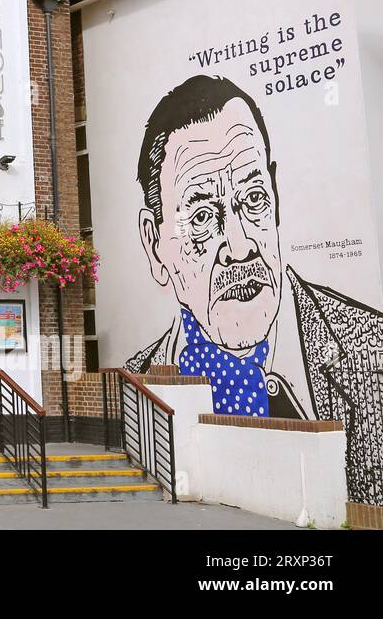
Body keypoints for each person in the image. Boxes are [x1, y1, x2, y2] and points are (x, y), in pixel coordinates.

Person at [128, 75, 382, 506]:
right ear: (156, 246)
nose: (240, 246)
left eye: (254, 199)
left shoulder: (371, 351)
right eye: (204, 216)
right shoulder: (138, 382)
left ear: (276, 196)